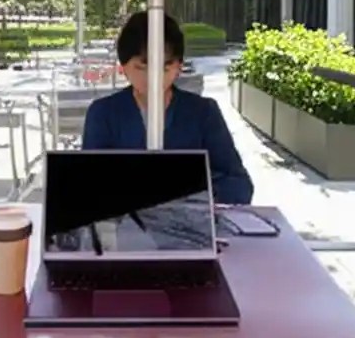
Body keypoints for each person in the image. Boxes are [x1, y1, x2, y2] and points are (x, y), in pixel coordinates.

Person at [81, 11, 253, 205]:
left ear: (179, 66)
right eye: (142, 67)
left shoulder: (204, 113)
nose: (154, 77)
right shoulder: (103, 114)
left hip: (190, 219)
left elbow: (240, 185)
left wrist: (197, 196)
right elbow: (89, 186)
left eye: (165, 67)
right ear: (123, 66)